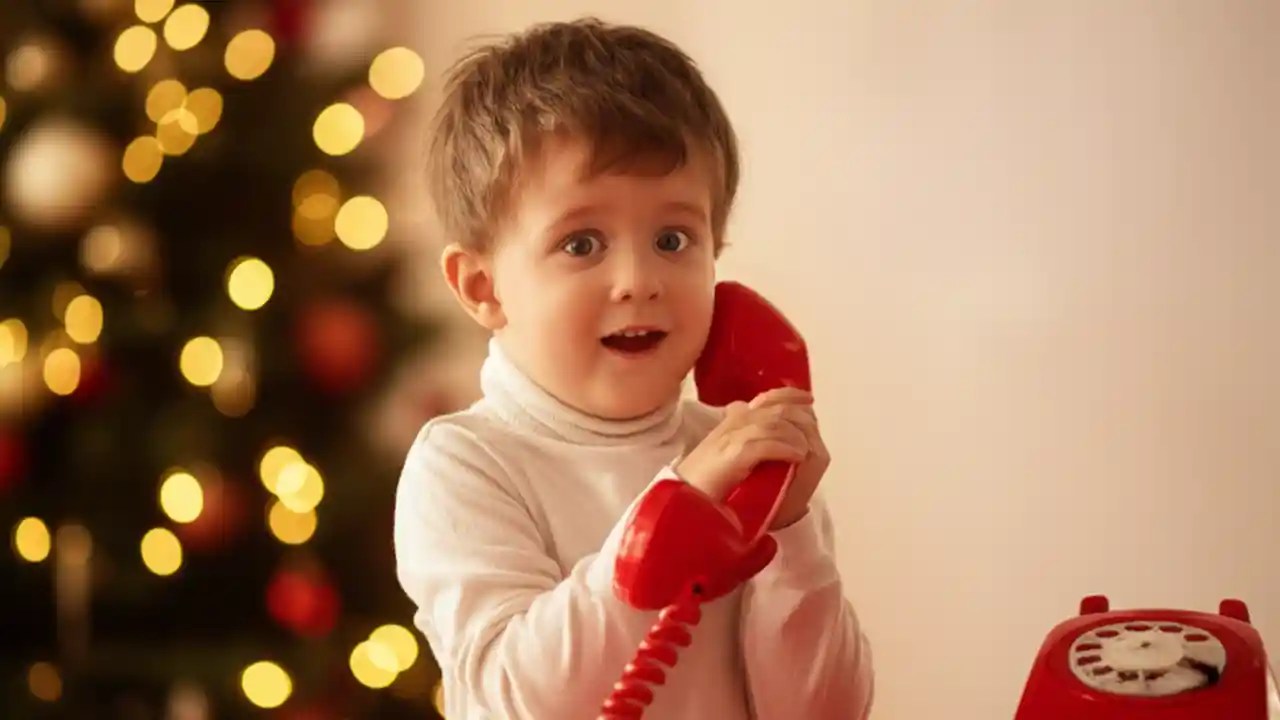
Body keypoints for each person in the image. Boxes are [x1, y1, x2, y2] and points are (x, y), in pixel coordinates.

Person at [393, 17, 874, 719]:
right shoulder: (466, 467)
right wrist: (669, 519)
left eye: (673, 238)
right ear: (482, 287)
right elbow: (516, 700)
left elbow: (827, 711)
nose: (638, 279)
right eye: (582, 242)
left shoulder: (737, 454)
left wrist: (791, 530)